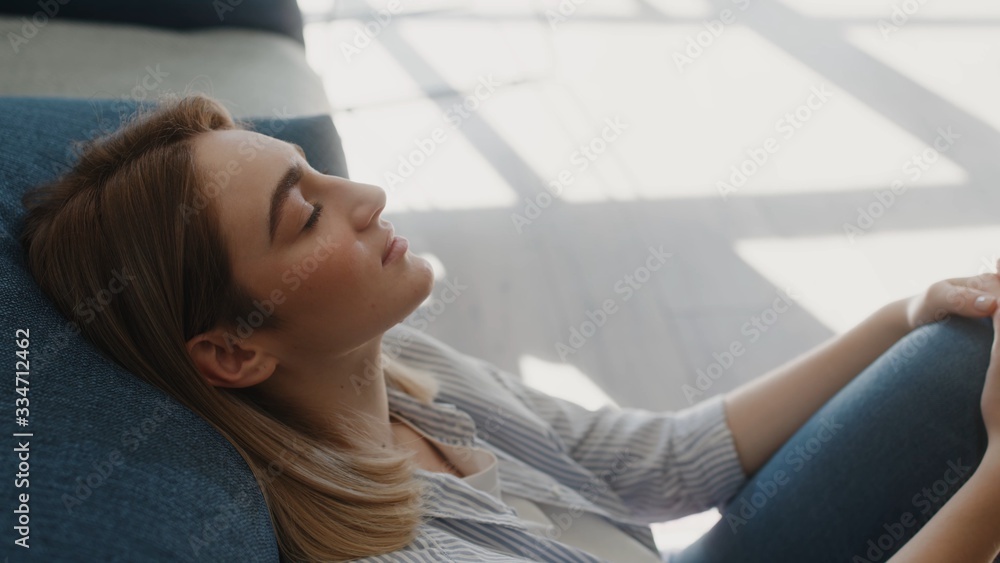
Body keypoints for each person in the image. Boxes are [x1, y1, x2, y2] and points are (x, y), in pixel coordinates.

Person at [17, 94, 1000, 562]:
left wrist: (894, 314)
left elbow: (655, 462)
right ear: (234, 349)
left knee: (959, 342)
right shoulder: (394, 556)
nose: (365, 193)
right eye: (306, 212)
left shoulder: (402, 369)